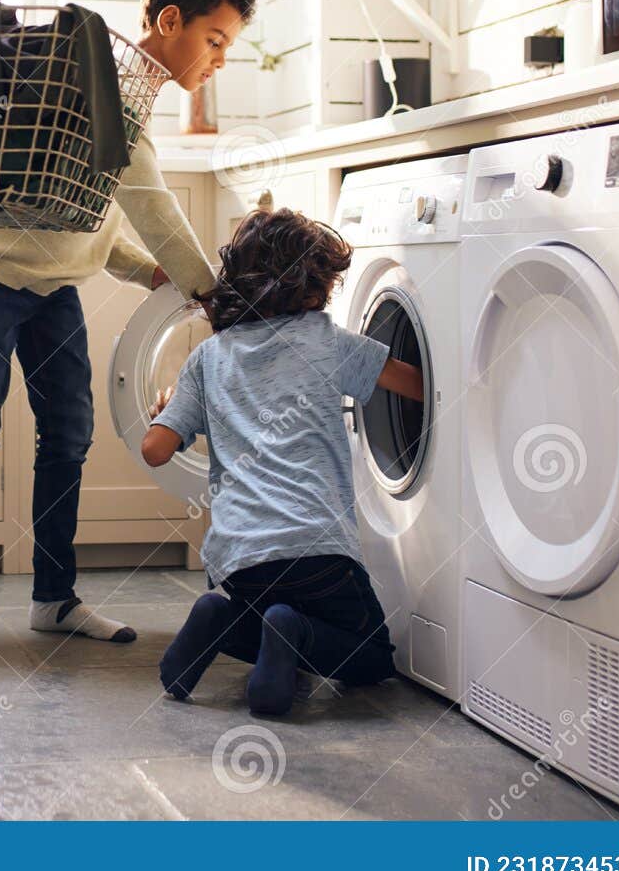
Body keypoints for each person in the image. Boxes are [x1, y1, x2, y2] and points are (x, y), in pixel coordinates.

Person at [0, 0, 254, 661]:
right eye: (216, 40)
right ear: (170, 22)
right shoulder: (108, 86)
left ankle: (54, 598)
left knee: (68, 434)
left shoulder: (131, 98)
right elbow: (153, 208)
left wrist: (144, 272)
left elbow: (86, 216)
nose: (221, 60)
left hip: (55, 286)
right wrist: (214, 294)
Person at [142, 207, 425, 717]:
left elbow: (155, 450)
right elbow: (418, 386)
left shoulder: (208, 357)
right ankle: (290, 631)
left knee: (267, 609)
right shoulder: (324, 340)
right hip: (319, 551)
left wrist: (168, 413)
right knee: (371, 658)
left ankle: (220, 620)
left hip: (239, 559)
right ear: (312, 290)